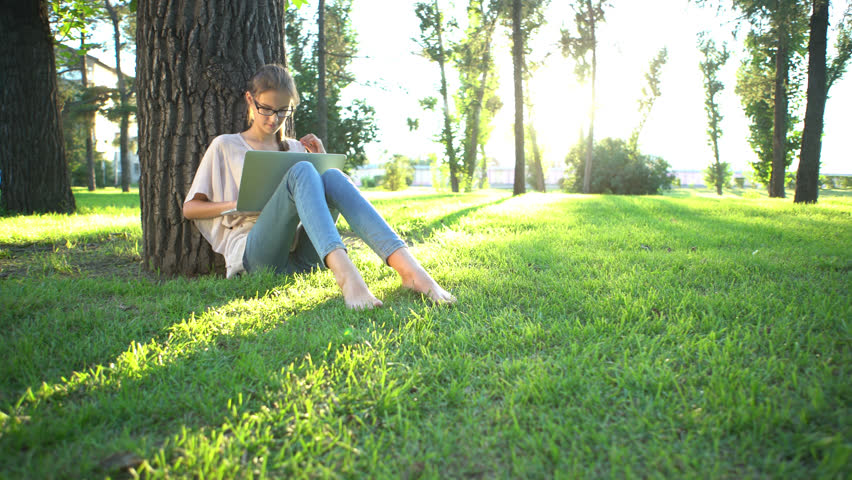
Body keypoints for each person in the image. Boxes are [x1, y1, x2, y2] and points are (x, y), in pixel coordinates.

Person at [183, 64, 455, 310]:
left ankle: (411, 271)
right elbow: (190, 208)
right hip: (258, 255)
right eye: (265, 108)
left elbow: (324, 200)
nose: (273, 119)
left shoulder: (294, 147)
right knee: (301, 170)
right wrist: (235, 204)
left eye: (282, 111)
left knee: (333, 176)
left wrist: (321, 162)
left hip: (303, 258)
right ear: (250, 101)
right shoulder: (225, 145)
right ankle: (347, 278)